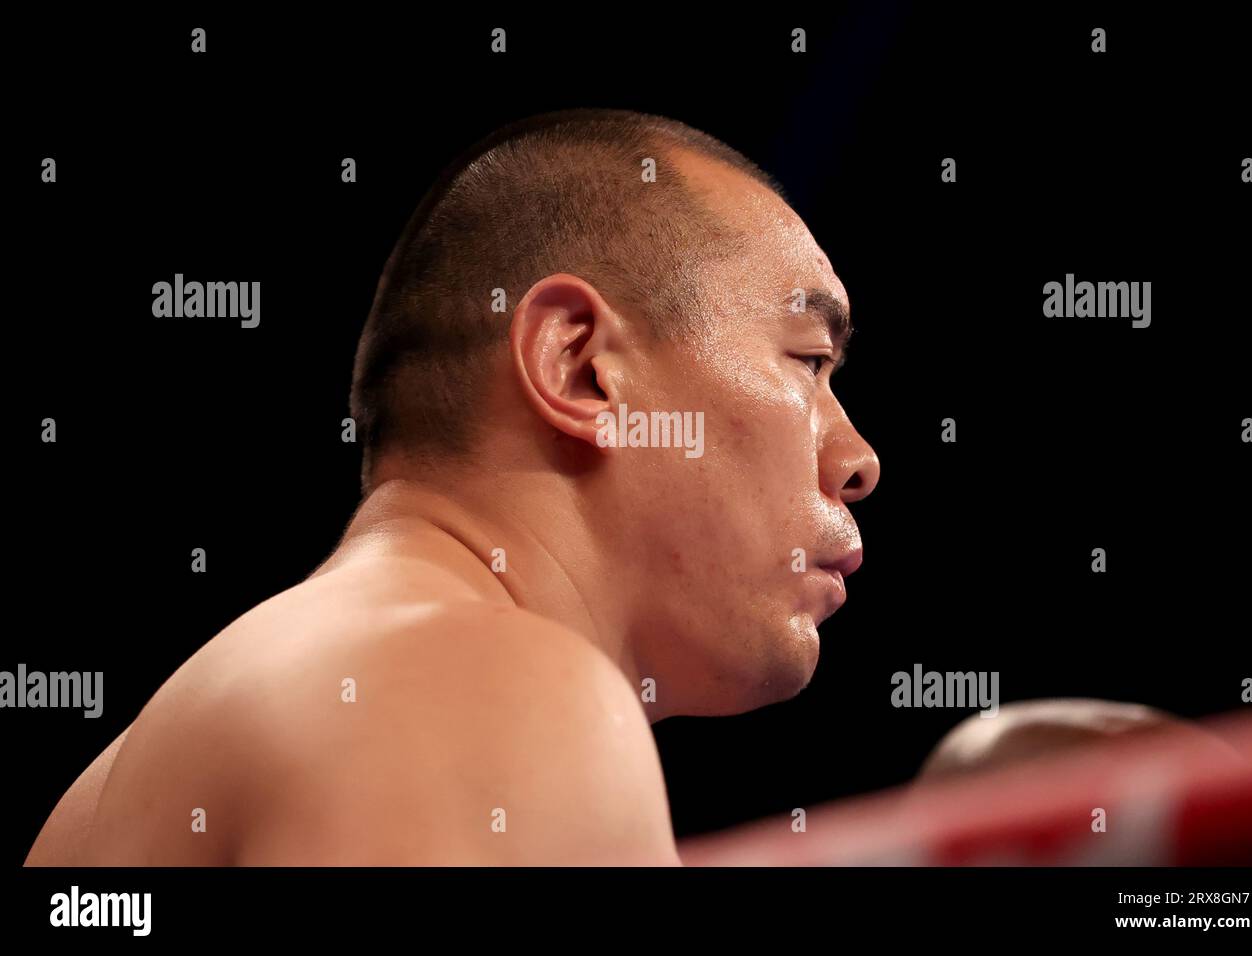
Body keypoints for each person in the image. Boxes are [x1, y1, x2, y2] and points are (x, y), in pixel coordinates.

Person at [26, 109, 880, 866]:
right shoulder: (491, 684)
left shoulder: (111, 783)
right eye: (807, 361)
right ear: (581, 369)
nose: (858, 458)